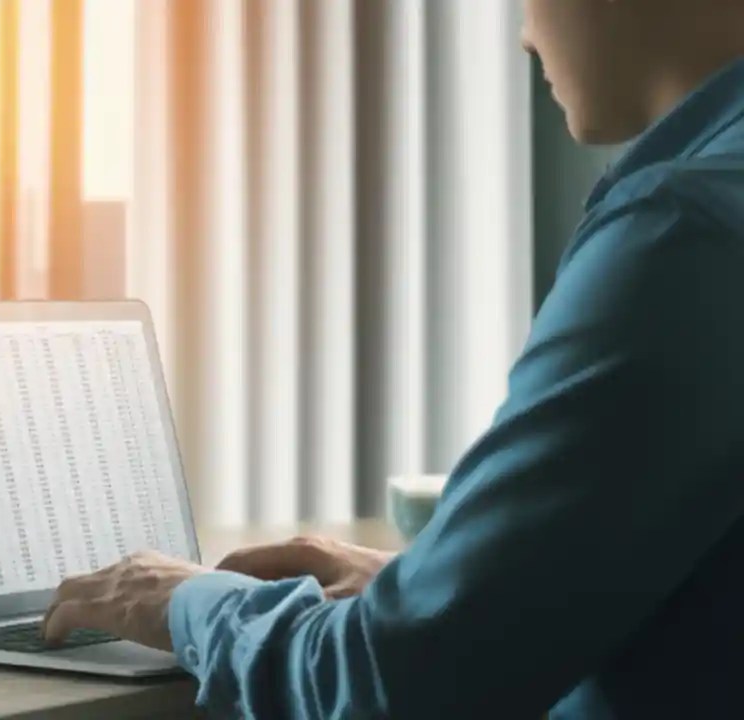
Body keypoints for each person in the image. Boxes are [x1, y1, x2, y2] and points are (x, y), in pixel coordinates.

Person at [41, 1, 744, 717]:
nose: (525, 36)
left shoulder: (683, 233)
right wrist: (435, 588)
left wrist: (187, 602)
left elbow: (390, 687)